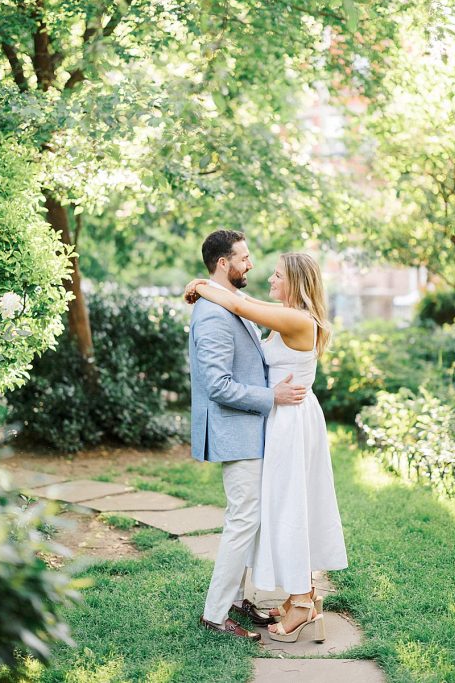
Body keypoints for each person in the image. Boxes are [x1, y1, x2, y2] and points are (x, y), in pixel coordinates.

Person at [186, 252, 348, 643]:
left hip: (290, 420)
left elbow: (242, 304)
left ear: (295, 282)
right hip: (281, 418)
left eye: (278, 275)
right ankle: (301, 596)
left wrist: (202, 286)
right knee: (284, 508)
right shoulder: (284, 311)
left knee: (289, 508)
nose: (269, 279)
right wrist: (207, 286)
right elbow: (248, 305)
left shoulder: (295, 319)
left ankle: (303, 600)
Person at [189, 229, 307, 640]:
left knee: (249, 520)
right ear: (224, 263)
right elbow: (217, 385)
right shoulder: (213, 314)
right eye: (244, 257)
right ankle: (215, 614)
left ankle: (238, 602)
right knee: (243, 520)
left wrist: (200, 286)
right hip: (236, 432)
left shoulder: (230, 304)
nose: (251, 264)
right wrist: (271, 396)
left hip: (252, 431)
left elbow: (245, 309)